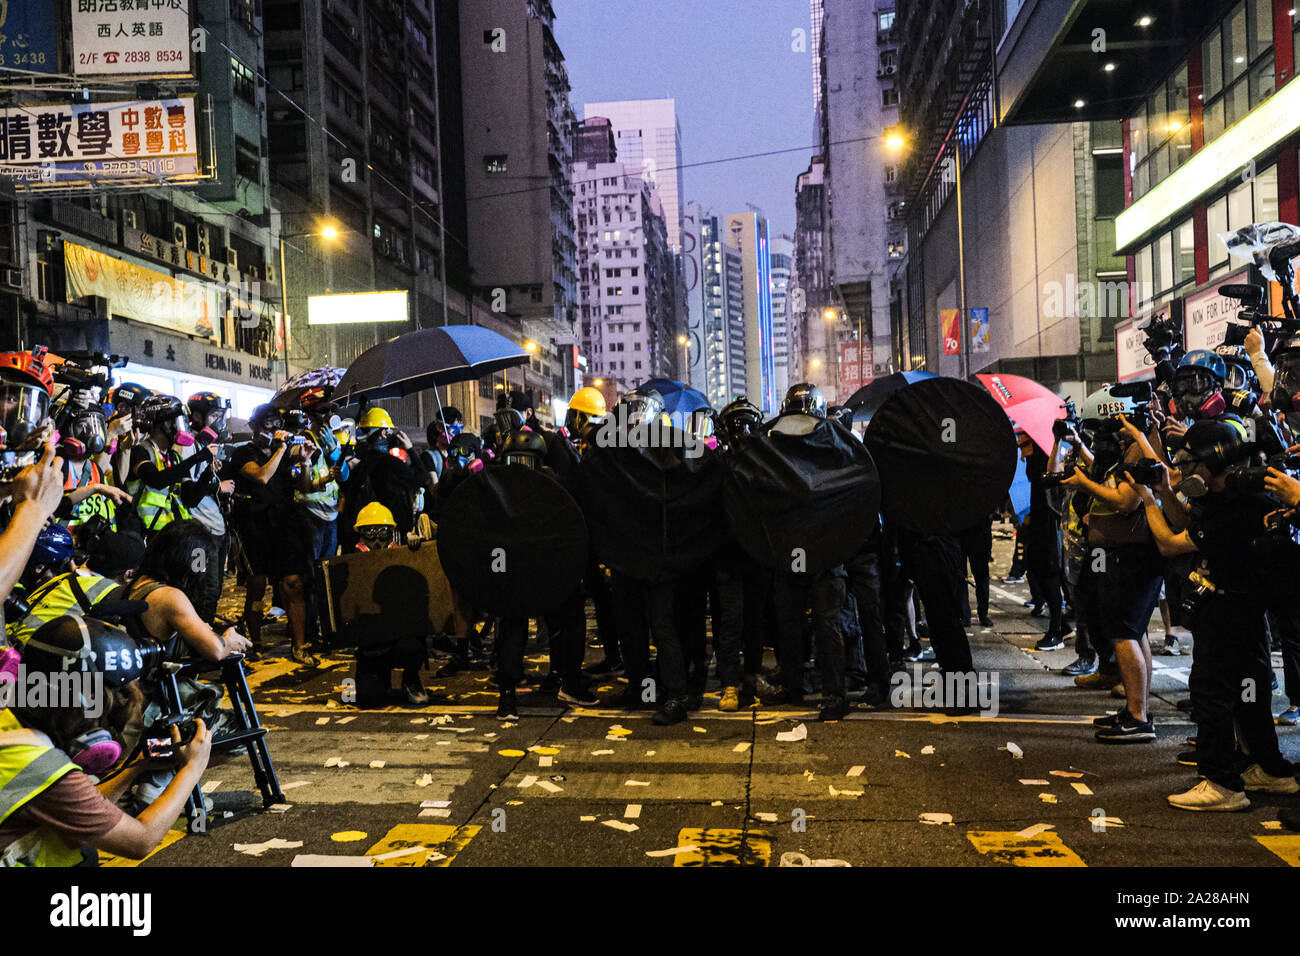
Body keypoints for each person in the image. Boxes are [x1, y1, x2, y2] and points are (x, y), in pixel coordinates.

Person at [1142, 419, 1298, 809]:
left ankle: (1221, 782)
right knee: (1250, 692)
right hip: (1246, 610)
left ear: (1212, 461)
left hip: (1228, 611)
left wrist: (1146, 499)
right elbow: (1189, 523)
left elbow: (1170, 543)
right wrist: (1163, 490)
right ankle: (1271, 769)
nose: (1184, 470)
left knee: (1211, 692)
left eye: (1190, 462)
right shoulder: (1226, 497)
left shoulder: (1235, 506)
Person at [0, 616, 211, 865]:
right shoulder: (38, 764)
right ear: (87, 698)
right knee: (83, 858)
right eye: (117, 702)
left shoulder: (11, 724)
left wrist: (134, 768)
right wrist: (191, 769)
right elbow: (140, 841)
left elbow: (79, 806)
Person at [229, 405, 317, 665]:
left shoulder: (287, 455)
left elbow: (305, 486)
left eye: (276, 423)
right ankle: (254, 642)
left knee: (293, 584)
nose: (272, 428)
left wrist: (305, 460)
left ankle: (299, 646)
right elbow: (262, 476)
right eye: (266, 424)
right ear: (253, 426)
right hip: (255, 525)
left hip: (285, 524)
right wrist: (279, 449)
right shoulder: (243, 452)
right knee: (257, 586)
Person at [129, 396, 209, 540]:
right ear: (163, 423)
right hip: (146, 533)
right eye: (175, 421)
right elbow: (156, 480)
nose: (179, 426)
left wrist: (208, 473)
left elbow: (191, 499)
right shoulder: (140, 451)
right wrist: (198, 457)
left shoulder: (175, 457)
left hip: (174, 532)